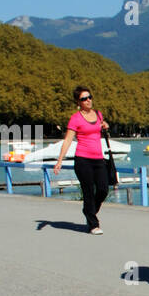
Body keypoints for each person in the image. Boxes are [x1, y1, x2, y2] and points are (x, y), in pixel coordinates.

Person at [54, 86, 110, 234]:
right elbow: (67, 140)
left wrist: (105, 126)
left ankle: (89, 210)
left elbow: (100, 129)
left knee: (104, 189)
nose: (88, 100)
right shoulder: (75, 118)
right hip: (83, 159)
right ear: (78, 102)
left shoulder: (98, 114)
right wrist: (60, 160)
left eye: (89, 97)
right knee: (88, 191)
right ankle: (93, 224)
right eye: (84, 98)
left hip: (98, 158)